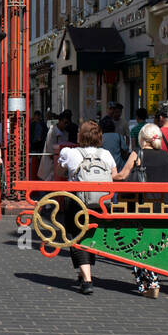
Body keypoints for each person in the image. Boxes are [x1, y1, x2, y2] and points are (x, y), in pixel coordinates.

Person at [115, 123, 168, 297]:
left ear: (142, 138)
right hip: (162, 207)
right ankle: (152, 280)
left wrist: (110, 176)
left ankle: (150, 283)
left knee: (140, 244)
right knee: (154, 243)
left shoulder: (138, 153)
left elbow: (123, 175)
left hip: (142, 205)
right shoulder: (167, 156)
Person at [55, 120, 116, 294]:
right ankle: (84, 274)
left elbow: (59, 172)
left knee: (76, 236)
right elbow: (114, 174)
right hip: (101, 203)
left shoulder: (71, 153)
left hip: (77, 201)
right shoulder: (106, 154)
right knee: (91, 234)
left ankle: (87, 280)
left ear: (80, 136)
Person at [39, 110, 74, 181]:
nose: (66, 125)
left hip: (60, 166)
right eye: (65, 122)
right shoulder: (52, 132)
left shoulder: (66, 133)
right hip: (50, 165)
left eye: (68, 123)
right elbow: (50, 151)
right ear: (60, 121)